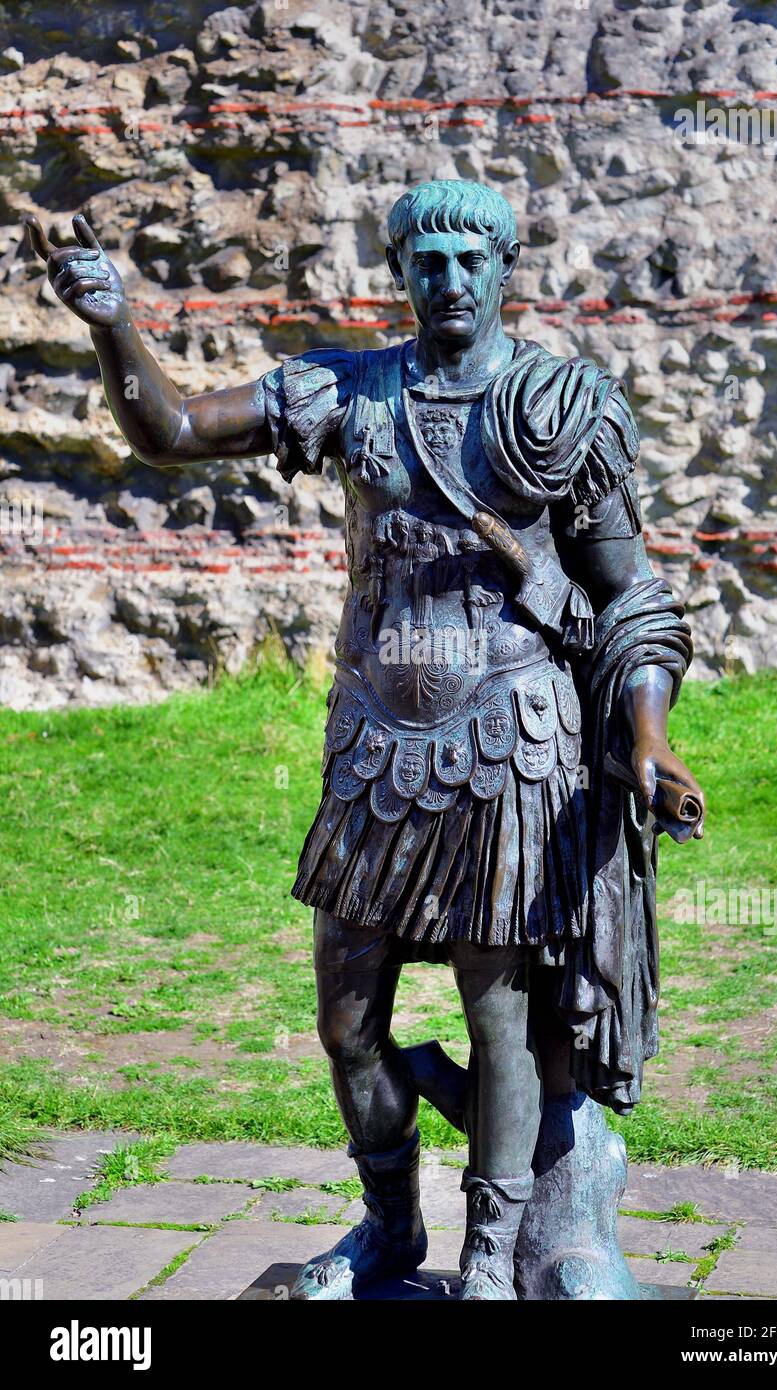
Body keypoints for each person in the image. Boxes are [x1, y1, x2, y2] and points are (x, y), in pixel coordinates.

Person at [26, 180, 704, 1300]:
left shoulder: (556, 403)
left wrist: (647, 734)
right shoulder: (349, 390)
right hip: (378, 751)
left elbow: (630, 594)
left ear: (500, 266)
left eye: (466, 260)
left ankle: (492, 1252)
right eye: (424, 261)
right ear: (401, 271)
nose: (446, 280)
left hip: (512, 742)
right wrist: (115, 328)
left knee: (499, 1016)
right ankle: (389, 1226)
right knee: (347, 1019)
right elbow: (177, 430)